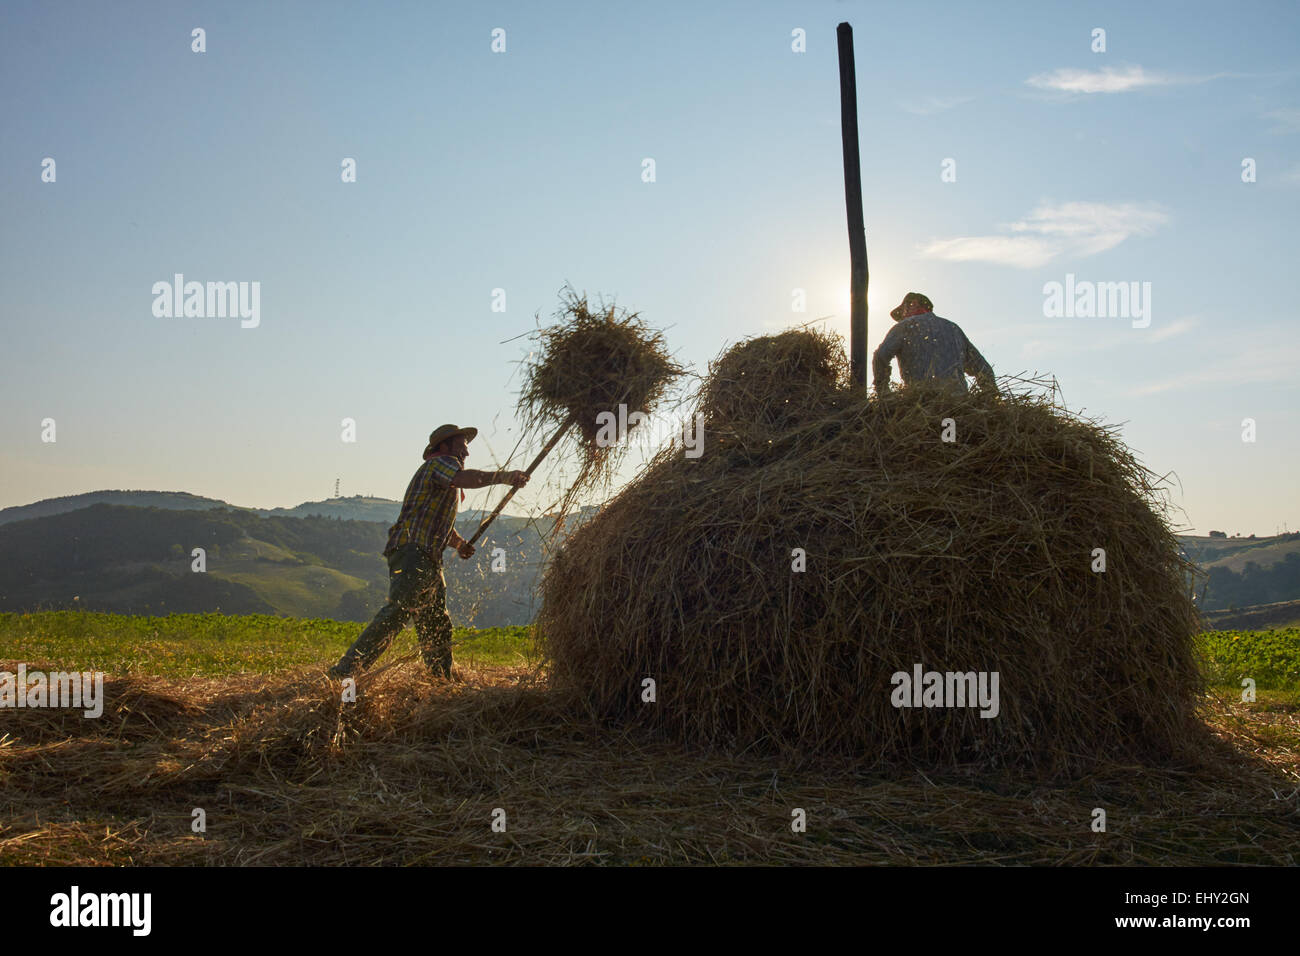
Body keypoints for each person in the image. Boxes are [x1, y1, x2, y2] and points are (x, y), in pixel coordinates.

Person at [327, 424, 528, 680]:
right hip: (414, 552)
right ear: (444, 447)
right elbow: (466, 478)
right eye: (462, 448)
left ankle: (440, 678)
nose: (466, 454)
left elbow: (440, 523)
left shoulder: (444, 474)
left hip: (427, 557)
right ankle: (344, 672)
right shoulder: (441, 464)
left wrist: (458, 544)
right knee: (399, 612)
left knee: (436, 621)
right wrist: (504, 477)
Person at [872, 292, 996, 395]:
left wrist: (884, 393)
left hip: (920, 406)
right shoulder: (953, 328)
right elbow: (984, 370)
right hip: (958, 409)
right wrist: (989, 400)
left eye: (903, 311)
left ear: (913, 303)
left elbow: (880, 356)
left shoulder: (905, 326)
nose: (903, 317)